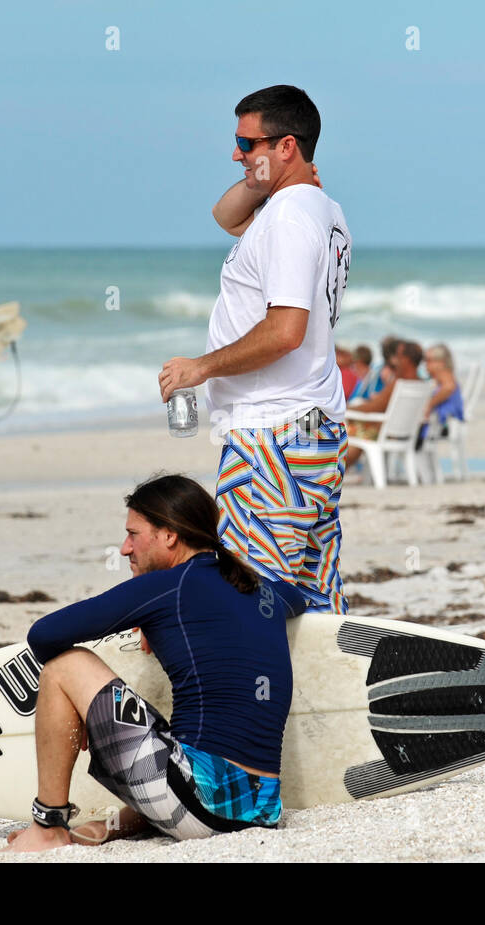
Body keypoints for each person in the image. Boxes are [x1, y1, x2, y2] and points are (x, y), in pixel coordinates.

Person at [3, 475, 303, 852]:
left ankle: (48, 827)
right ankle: (116, 824)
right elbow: (297, 599)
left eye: (134, 534)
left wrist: (143, 614)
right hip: (261, 811)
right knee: (188, 744)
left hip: (202, 805)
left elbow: (44, 634)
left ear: (169, 536)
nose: (126, 548)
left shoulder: (164, 587)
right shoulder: (261, 589)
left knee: (64, 666)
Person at [157, 84, 352, 614]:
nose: (236, 154)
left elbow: (286, 329)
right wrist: (266, 175)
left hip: (275, 435)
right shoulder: (318, 209)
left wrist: (202, 367)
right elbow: (225, 215)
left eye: (247, 144)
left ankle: (244, 697)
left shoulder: (289, 217)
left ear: (286, 146)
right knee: (310, 602)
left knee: (247, 599)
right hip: (311, 430)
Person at [345, 339, 424, 470]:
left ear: (406, 360)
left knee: (349, 432)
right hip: (404, 432)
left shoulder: (399, 384)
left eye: (398, 357)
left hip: (384, 433)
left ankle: (330, 470)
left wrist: (345, 409)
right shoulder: (420, 383)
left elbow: (373, 407)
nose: (394, 361)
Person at [417, 343, 464, 451]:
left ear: (441, 362)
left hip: (441, 425)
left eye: (428, 360)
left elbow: (449, 387)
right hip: (440, 423)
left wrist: (430, 404)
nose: (425, 364)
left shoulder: (445, 377)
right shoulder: (441, 379)